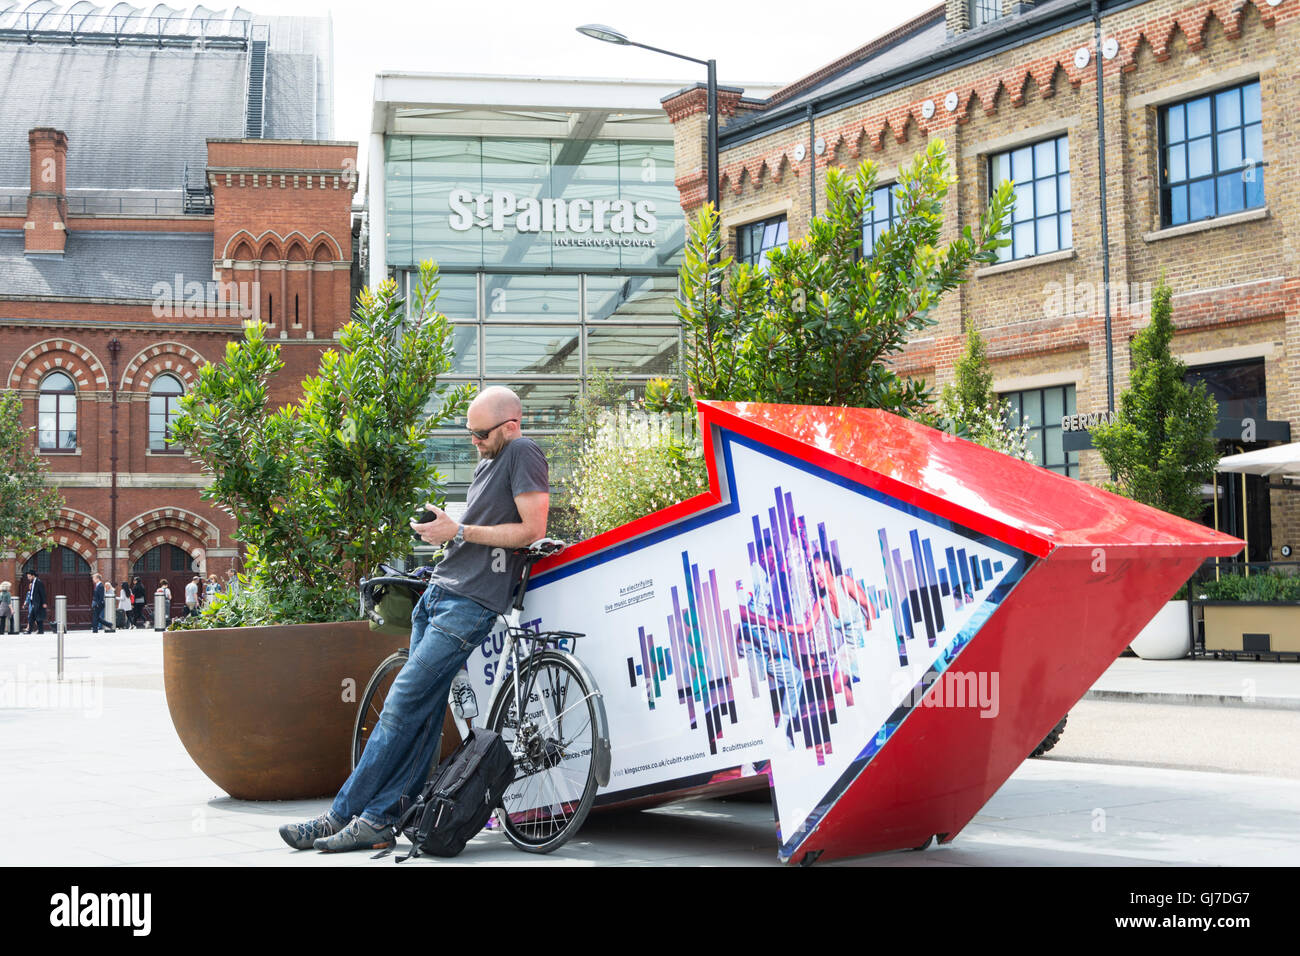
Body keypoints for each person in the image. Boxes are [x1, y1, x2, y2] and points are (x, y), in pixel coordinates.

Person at [279, 386, 549, 853]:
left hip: (470, 603)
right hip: (440, 594)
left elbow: (532, 528)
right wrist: (447, 528)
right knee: (421, 717)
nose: (474, 442)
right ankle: (380, 820)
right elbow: (488, 527)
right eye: (469, 434)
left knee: (402, 702)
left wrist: (459, 530)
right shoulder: (492, 458)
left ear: (510, 425)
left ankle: (339, 815)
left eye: (481, 433)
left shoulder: (523, 450)